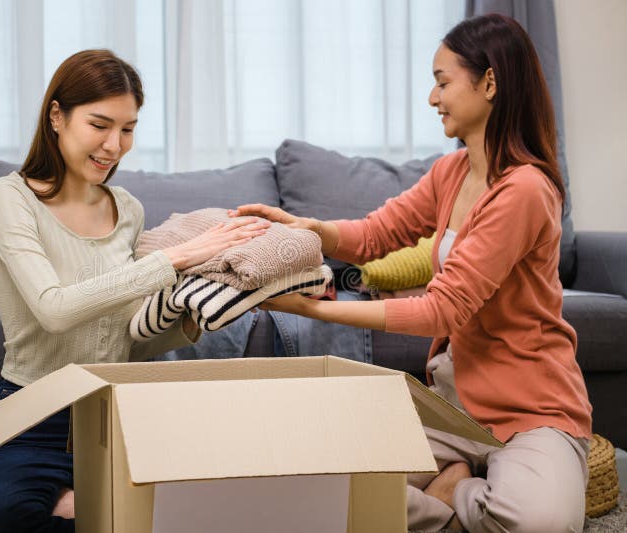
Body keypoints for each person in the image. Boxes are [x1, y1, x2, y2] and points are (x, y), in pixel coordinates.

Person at [231, 14, 592, 532]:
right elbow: (376, 234)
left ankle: (455, 491)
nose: (432, 97)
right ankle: (458, 492)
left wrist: (316, 310)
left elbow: (442, 308)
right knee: (313, 478)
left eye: (443, 82)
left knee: (538, 523)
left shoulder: (525, 190)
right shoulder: (451, 172)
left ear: (489, 82)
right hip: (453, 405)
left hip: (531, 411)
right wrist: (308, 227)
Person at [0, 49, 269, 533]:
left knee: (200, 512)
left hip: (113, 415)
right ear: (56, 116)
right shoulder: (10, 198)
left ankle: (80, 506)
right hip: (30, 419)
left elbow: (125, 337)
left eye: (127, 129)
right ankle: (81, 506)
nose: (114, 145)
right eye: (100, 124)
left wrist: (196, 311)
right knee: (5, 524)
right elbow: (56, 311)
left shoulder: (126, 208)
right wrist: (175, 258)